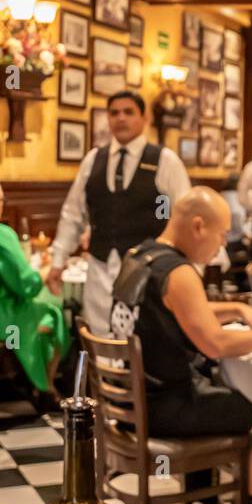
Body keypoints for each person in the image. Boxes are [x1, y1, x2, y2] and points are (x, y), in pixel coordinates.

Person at [115, 187, 252, 504]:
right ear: (199, 226)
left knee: (215, 387)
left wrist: (236, 310)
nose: (221, 247)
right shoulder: (179, 273)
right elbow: (215, 345)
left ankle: (205, 501)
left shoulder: (139, 256)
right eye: (220, 235)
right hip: (164, 407)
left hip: (129, 402)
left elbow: (179, 313)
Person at [49, 90, 191, 335]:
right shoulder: (94, 159)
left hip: (148, 271)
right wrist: (58, 260)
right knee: (99, 339)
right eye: (114, 113)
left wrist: (186, 267)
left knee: (142, 342)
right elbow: (73, 215)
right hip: (100, 266)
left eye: (128, 112)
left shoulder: (164, 160)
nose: (120, 118)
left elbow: (181, 216)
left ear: (144, 117)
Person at [0, 174, 70, 397]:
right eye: (2, 200)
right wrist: (47, 272)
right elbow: (27, 284)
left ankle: (34, 379)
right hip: (4, 320)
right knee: (55, 312)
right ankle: (46, 385)